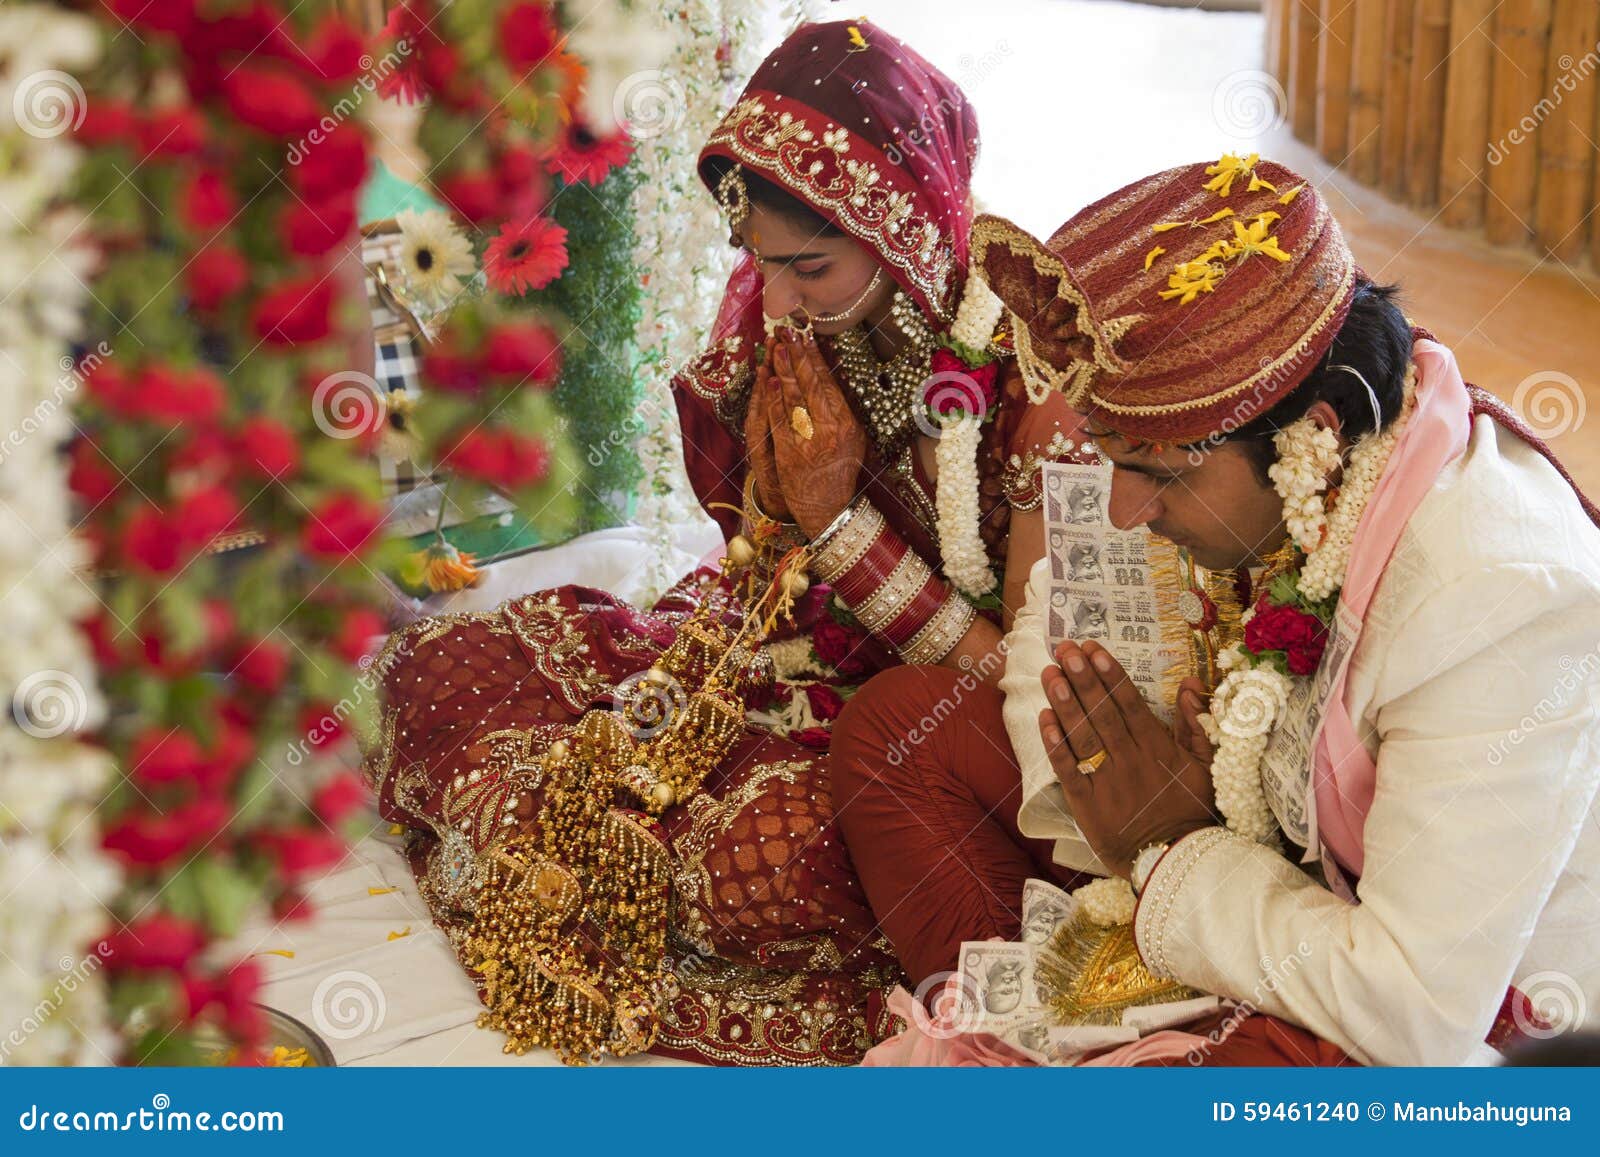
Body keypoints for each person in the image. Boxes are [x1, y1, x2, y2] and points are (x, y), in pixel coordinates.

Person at [363, 19, 1089, 1066]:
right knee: (446, 662)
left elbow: (1027, 695)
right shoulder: (798, 321)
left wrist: (843, 527)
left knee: (762, 864)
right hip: (779, 657)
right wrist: (780, 509)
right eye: (758, 263)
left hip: (933, 751)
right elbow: (758, 564)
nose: (776, 302)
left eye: (810, 267)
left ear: (903, 234)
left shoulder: (1033, 377)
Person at [833, 155, 1600, 1065]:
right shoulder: (1247, 436)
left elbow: (1413, 1013)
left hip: (1442, 1016)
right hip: (1245, 876)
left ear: (1310, 436)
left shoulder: (1498, 598)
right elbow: (1055, 626)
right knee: (896, 733)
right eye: (1112, 457)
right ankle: (1048, 1038)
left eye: (1153, 475)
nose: (1124, 509)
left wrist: (1168, 844)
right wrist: (1139, 800)